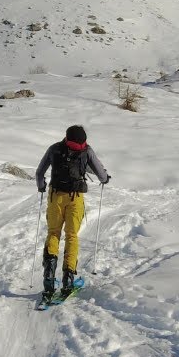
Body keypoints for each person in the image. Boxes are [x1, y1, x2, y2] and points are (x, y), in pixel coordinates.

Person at [36, 125, 110, 301]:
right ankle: (68, 280)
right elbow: (100, 173)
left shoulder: (54, 148)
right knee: (71, 236)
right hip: (75, 198)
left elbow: (40, 172)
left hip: (55, 197)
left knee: (53, 233)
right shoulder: (87, 150)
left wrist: (41, 186)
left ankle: (48, 277)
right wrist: (105, 179)